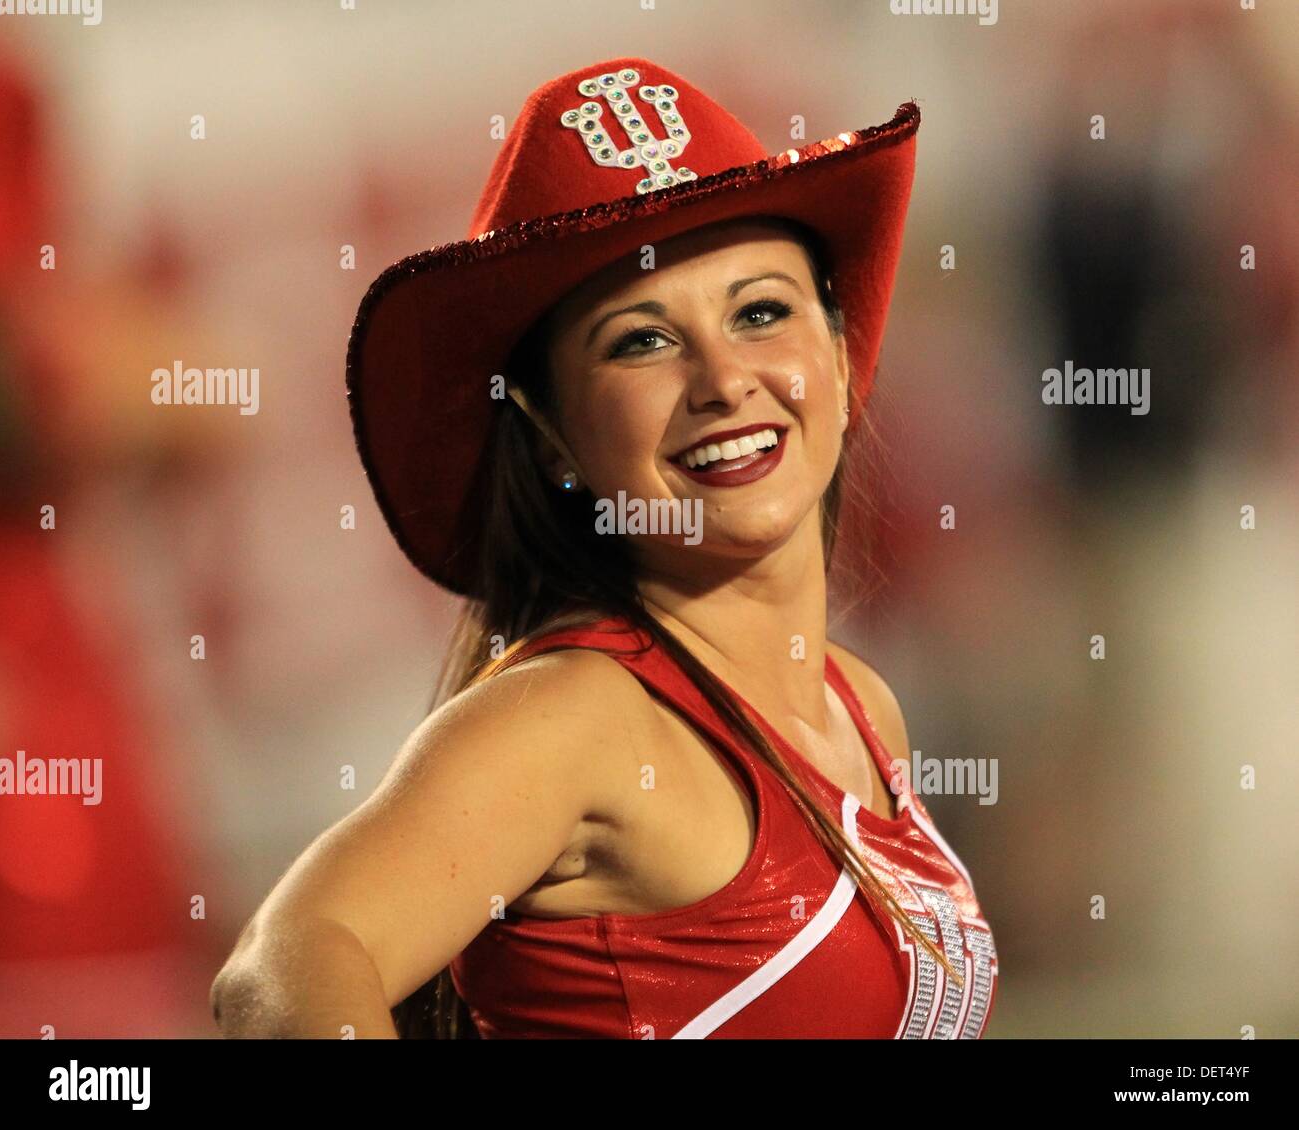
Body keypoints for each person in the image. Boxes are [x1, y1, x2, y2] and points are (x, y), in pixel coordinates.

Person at [211, 55, 998, 1039]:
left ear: (837, 354)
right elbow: (277, 970)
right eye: (641, 340)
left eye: (760, 312)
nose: (722, 379)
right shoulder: (575, 715)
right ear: (552, 441)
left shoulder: (861, 704)